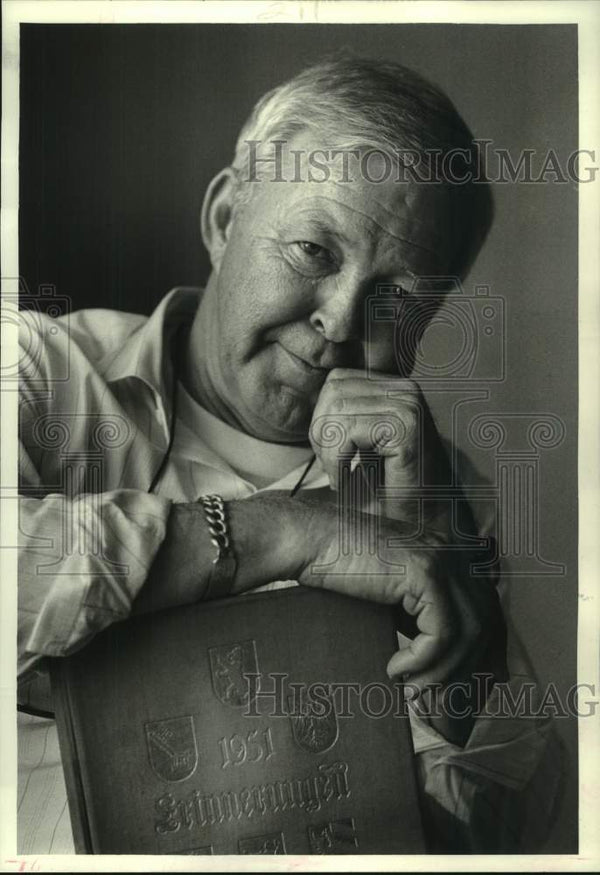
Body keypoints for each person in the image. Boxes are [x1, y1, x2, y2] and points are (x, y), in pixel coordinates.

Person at [17, 54, 561, 854]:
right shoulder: (35, 372)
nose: (341, 321)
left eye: (399, 297)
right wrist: (285, 534)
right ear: (225, 217)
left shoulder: (446, 496)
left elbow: (503, 844)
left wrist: (458, 655)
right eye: (314, 249)